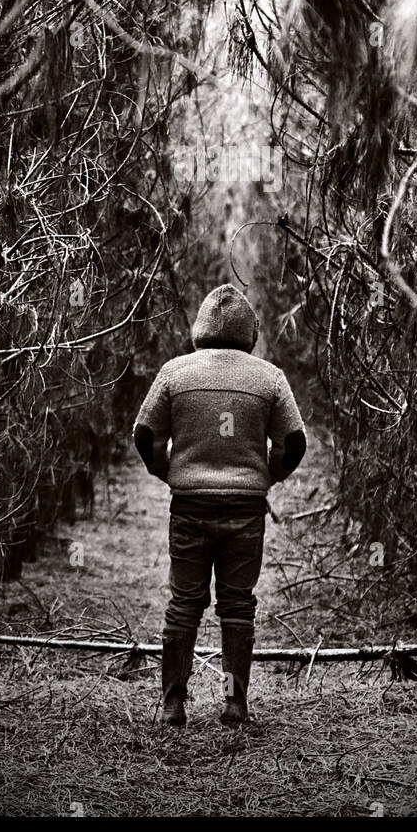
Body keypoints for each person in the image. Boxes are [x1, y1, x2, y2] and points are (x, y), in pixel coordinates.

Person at [133, 283, 306, 728]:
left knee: (184, 605)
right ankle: (235, 703)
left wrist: (166, 469)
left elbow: (146, 434)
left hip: (189, 507)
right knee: (237, 606)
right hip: (245, 513)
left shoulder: (175, 373)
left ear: (200, 327)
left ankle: (173, 705)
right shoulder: (269, 377)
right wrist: (269, 473)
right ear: (250, 331)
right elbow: (293, 441)